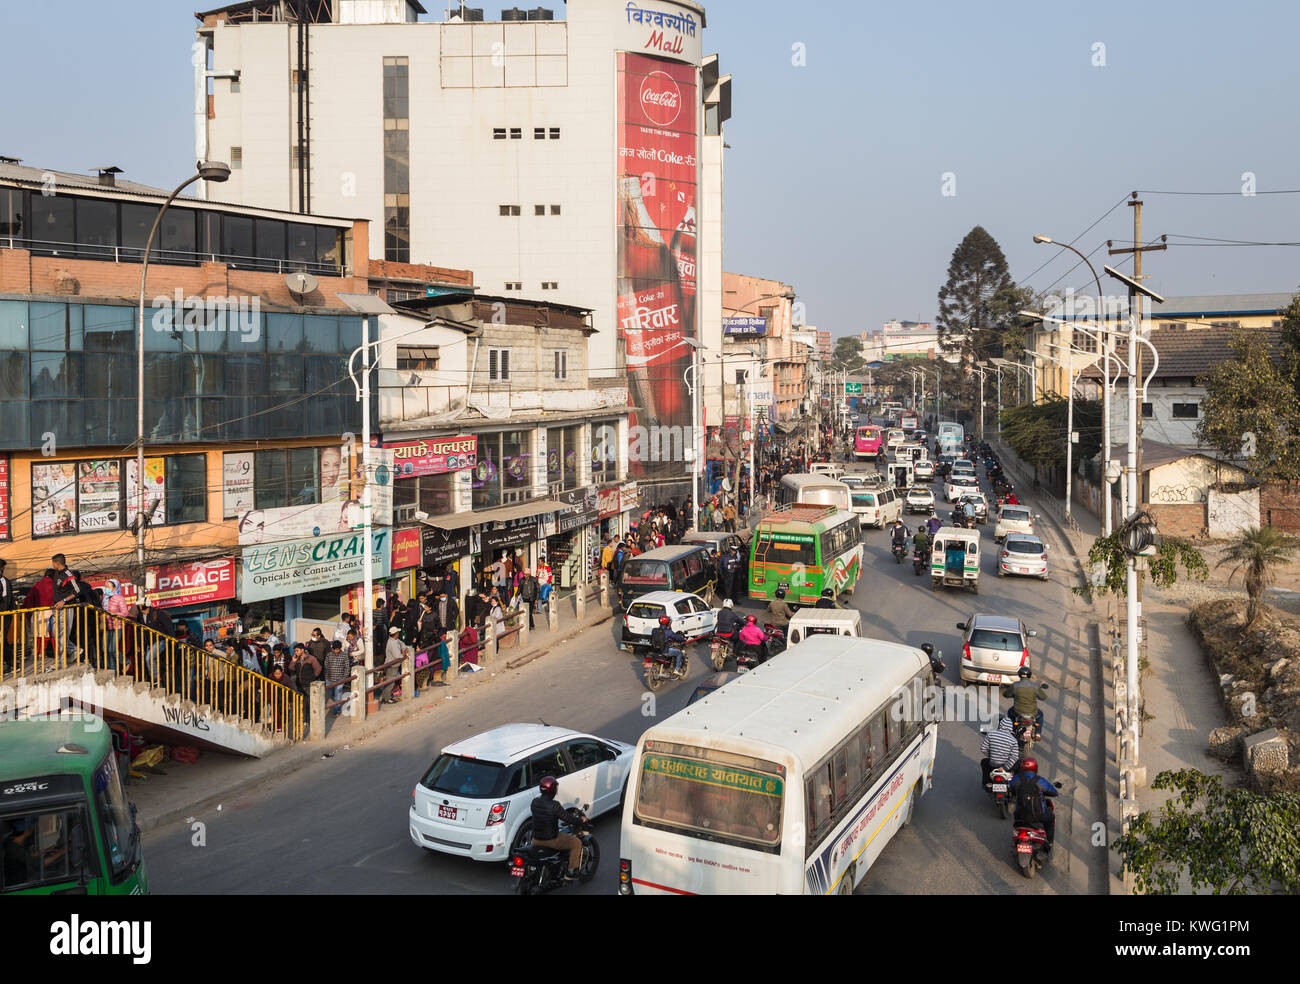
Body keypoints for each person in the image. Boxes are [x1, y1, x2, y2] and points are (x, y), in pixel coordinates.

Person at [529, 776, 582, 881]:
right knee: (576, 843)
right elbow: (568, 818)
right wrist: (581, 820)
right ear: (553, 789)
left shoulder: (534, 802)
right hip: (551, 840)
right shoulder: (554, 805)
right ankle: (570, 872)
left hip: (535, 839)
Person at [1007, 756, 1058, 849]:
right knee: (1051, 817)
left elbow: (1009, 788)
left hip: (1019, 815)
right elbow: (1054, 792)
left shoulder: (1016, 779)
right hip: (1038, 816)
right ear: (1035, 768)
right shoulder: (1039, 780)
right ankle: (1050, 842)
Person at [1001, 666, 1048, 738]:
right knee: (1040, 715)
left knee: (1010, 711)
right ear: (1029, 675)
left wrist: (1013, 695)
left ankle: (1012, 730)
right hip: (1033, 713)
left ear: (1019, 674)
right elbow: (1043, 697)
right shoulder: (1035, 686)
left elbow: (1006, 695)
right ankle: (1038, 733)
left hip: (1018, 712)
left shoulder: (1015, 685)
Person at [979, 714, 1020, 785]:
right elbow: (1014, 757)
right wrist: (1004, 767)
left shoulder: (991, 734)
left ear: (1000, 725)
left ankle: (987, 782)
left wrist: (991, 755)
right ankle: (1016, 783)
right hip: (1006, 767)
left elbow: (983, 748)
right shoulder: (1013, 740)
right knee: (1020, 763)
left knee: (984, 762)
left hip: (993, 764)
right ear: (1011, 727)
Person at [380, 626, 406, 703]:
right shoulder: (392, 643)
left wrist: (404, 648)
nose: (399, 633)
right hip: (392, 665)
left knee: (392, 681)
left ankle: (385, 697)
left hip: (393, 665)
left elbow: (401, 643)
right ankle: (386, 698)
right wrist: (404, 654)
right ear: (395, 634)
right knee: (390, 683)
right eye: (398, 632)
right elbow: (397, 656)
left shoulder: (394, 640)